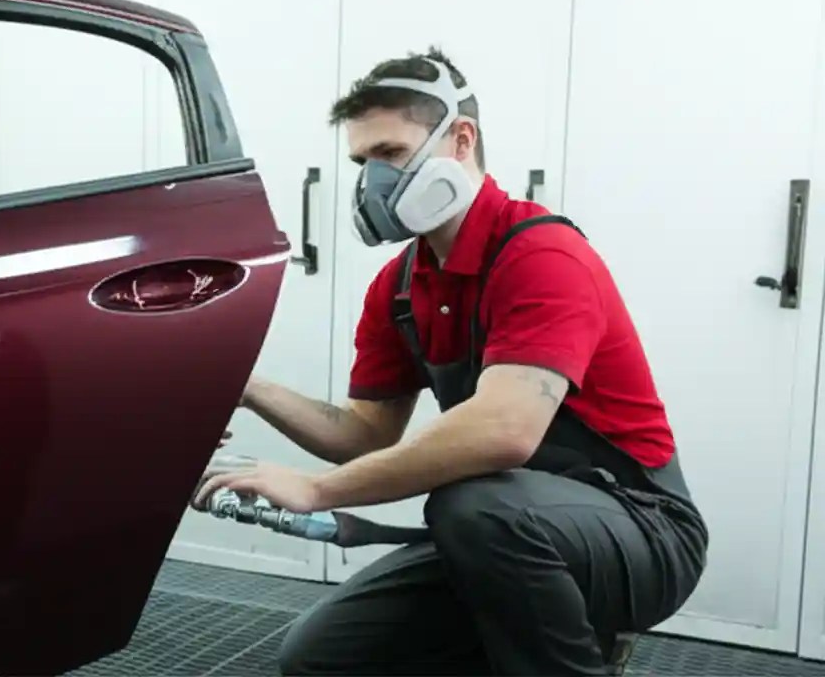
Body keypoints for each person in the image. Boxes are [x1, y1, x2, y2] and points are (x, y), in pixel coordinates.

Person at [193, 48, 709, 675]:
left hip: (643, 530)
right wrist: (246, 388)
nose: (372, 181)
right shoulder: (401, 286)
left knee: (470, 507)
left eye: (390, 153)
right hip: (509, 531)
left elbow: (504, 431)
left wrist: (316, 491)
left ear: (460, 140)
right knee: (322, 656)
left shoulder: (543, 254)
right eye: (362, 162)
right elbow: (363, 434)